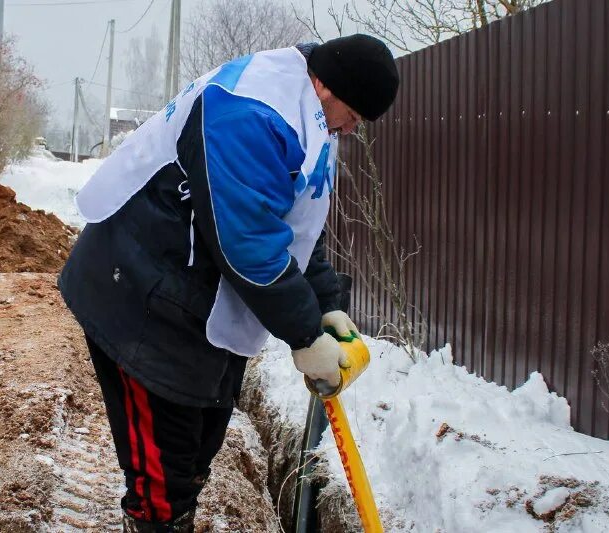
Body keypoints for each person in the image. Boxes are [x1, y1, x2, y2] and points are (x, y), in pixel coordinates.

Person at [58, 34, 399, 532]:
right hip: (142, 293)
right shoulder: (251, 112)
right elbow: (250, 243)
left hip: (195, 295)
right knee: (162, 476)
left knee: (196, 453)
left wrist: (326, 303)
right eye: (354, 115)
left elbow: (295, 219)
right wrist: (304, 335)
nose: (352, 129)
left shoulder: (309, 113)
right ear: (325, 84)